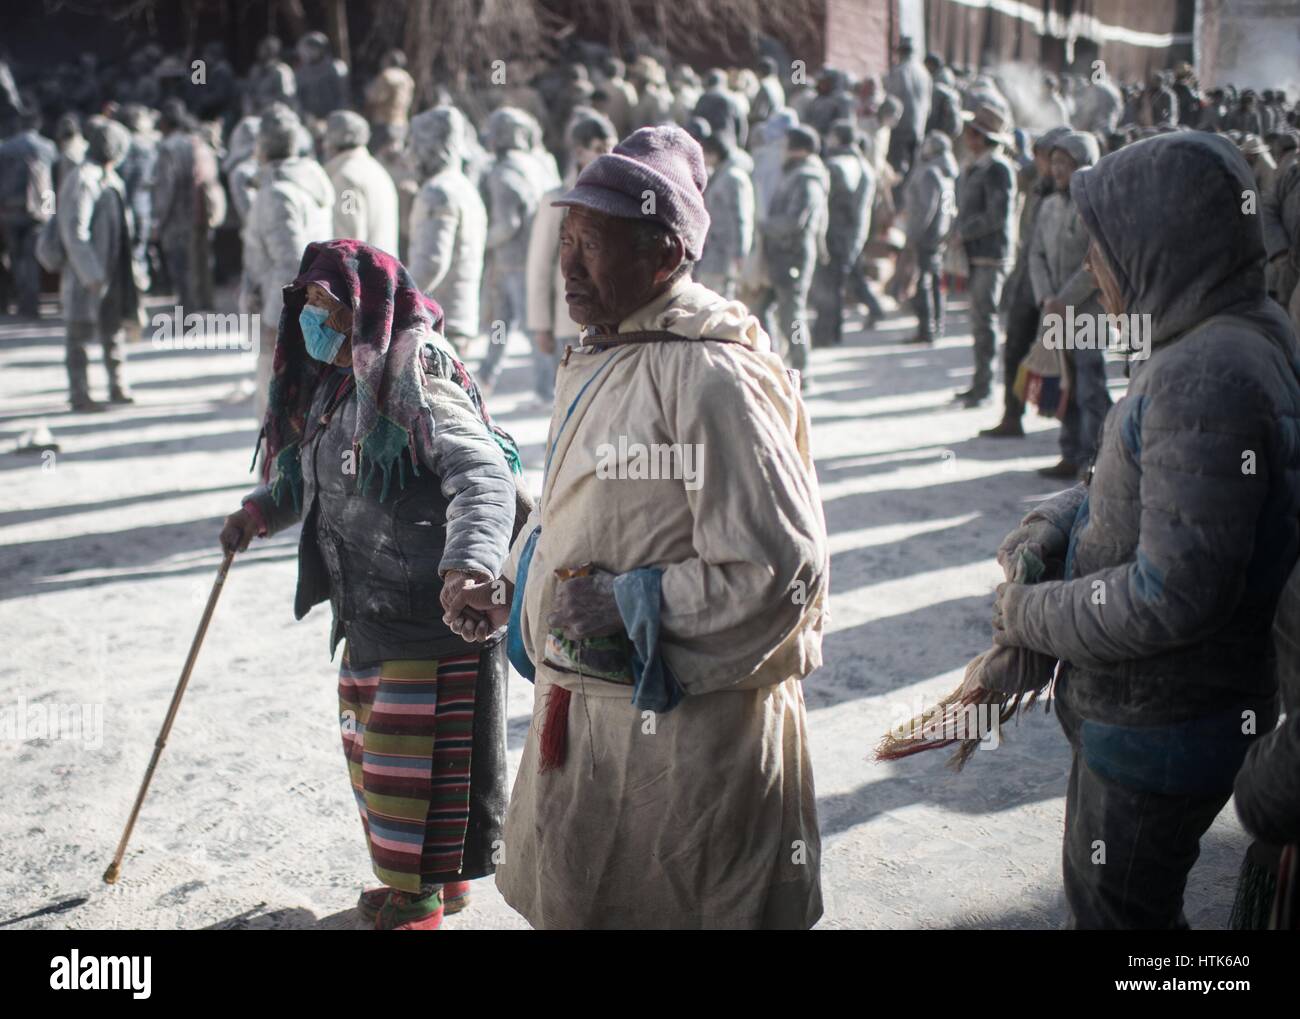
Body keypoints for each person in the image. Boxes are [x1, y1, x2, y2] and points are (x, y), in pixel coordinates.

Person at [444, 125, 828, 929]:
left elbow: (779, 572)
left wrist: (631, 601)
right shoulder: (612, 349)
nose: (569, 265)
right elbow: (576, 511)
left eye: (596, 244)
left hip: (687, 755)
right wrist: (514, 583)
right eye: (568, 239)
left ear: (664, 257)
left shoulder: (711, 375)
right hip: (597, 727)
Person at [991, 132, 1300, 928]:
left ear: (1168, 246)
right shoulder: (1211, 336)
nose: (1096, 270)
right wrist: (1057, 522)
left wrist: (1031, 614)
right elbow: (1132, 488)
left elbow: (1173, 593)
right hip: (1157, 712)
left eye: (1108, 250)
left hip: (1160, 721)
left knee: (1122, 917)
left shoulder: (1210, 375)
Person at [219, 239, 522, 931]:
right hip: (368, 610)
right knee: (376, 760)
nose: (311, 318)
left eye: (326, 304)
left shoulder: (413, 378)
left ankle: (415, 900)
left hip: (431, 611)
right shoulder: (332, 381)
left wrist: (470, 564)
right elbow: (305, 474)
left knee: (409, 771)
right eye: (307, 304)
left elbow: (481, 475)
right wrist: (261, 510)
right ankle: (429, 883)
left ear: (365, 306)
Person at [241, 104, 335, 422]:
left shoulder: (277, 194)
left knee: (279, 408)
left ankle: (276, 473)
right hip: (310, 309)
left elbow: (290, 262)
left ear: (264, 146)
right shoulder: (308, 180)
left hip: (285, 313)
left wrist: (273, 320)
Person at [1028, 131, 1110, 479]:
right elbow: (1036, 254)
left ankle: (1097, 460)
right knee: (1065, 383)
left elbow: (1097, 262)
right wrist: (1047, 296)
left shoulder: (1095, 208)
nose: (1058, 169)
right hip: (1055, 311)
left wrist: (1065, 299)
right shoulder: (1048, 206)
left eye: (1066, 163)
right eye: (1056, 162)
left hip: (1089, 313)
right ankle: (1070, 452)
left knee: (1091, 386)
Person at [981, 124, 1071, 437]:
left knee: (1067, 360)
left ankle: (1072, 441)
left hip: (1061, 285)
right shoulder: (1036, 182)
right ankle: (1012, 414)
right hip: (1028, 277)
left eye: (1049, 157)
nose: (1045, 163)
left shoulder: (1074, 191)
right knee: (1016, 347)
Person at [524, 112, 616, 406]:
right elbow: (539, 265)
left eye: (612, 148)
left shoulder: (617, 198)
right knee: (569, 404)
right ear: (579, 152)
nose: (608, 155)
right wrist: (541, 323)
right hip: (569, 322)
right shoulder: (557, 199)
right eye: (600, 149)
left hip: (610, 321)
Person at [57, 116, 138, 411]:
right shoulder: (83, 179)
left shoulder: (111, 179)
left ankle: (117, 385)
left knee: (113, 329)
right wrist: (90, 273)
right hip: (86, 274)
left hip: (113, 271)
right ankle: (79, 393)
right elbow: (74, 231)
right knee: (79, 332)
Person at [407, 106, 486, 360]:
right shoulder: (464, 187)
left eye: (415, 144)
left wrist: (399, 301)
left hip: (437, 319)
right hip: (458, 315)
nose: (410, 153)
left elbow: (431, 263)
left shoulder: (438, 192)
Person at [754, 125, 827, 389]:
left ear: (800, 150)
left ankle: (802, 368)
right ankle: (775, 364)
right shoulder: (795, 174)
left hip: (793, 256)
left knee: (792, 316)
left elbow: (796, 220)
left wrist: (765, 225)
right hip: (780, 255)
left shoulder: (807, 179)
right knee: (762, 308)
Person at [954, 101, 1017, 407]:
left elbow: (996, 215)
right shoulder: (977, 165)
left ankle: (986, 385)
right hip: (976, 255)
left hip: (991, 255)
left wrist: (963, 231)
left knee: (985, 321)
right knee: (978, 321)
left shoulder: (998, 169)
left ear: (980, 136)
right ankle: (979, 382)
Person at [478, 107, 543, 394]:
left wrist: (481, 242)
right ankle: (487, 374)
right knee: (503, 322)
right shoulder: (535, 164)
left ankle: (547, 389)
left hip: (515, 260)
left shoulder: (503, 172)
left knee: (532, 326)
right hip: (530, 256)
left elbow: (507, 224)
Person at [152, 98, 225, 311]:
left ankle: (187, 312)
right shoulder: (199, 143)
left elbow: (166, 187)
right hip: (204, 211)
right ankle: (205, 302)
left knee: (182, 266)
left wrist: (159, 220)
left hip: (178, 216)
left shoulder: (168, 149)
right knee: (202, 260)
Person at [812, 120, 872, 347]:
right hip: (851, 234)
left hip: (837, 235)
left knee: (829, 287)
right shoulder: (860, 163)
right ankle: (832, 333)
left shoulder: (837, 165)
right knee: (837, 285)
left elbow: (838, 203)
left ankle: (825, 334)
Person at [0, 101, 57, 318]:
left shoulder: (5, 148)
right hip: (39, 211)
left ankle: (18, 298)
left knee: (15, 258)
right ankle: (31, 304)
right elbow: (53, 181)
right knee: (33, 257)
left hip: (9, 211)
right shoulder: (48, 147)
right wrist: (51, 211)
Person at [901, 131, 956, 345]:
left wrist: (914, 235)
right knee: (933, 281)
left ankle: (928, 328)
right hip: (939, 234)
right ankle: (935, 325)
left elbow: (926, 208)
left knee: (925, 282)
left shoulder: (931, 173)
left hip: (927, 235)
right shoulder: (946, 171)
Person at [323, 110, 399, 256]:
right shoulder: (377, 170)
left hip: (365, 275)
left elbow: (348, 239)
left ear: (331, 142)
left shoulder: (346, 180)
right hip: (385, 272)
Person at [696, 125, 755, 302]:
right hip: (714, 249)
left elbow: (741, 218)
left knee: (716, 302)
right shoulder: (722, 175)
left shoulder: (732, 178)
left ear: (714, 154)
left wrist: (740, 253)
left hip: (724, 253)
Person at [883, 36, 932, 181]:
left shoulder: (900, 71)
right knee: (913, 167)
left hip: (901, 127)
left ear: (901, 52)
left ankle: (899, 200)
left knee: (897, 169)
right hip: (918, 127)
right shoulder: (924, 73)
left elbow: (892, 100)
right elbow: (928, 104)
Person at [364, 49, 414, 152]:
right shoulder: (407, 78)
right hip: (402, 123)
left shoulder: (387, 75)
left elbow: (374, 97)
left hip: (384, 122)